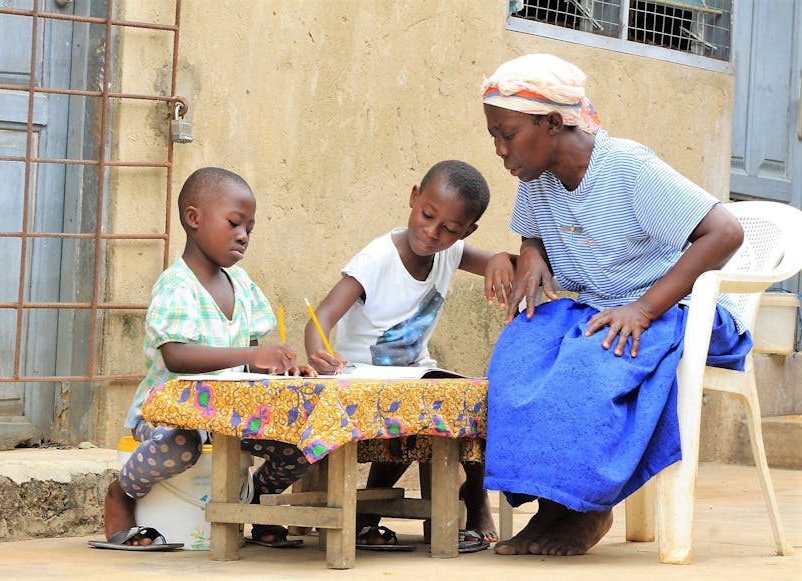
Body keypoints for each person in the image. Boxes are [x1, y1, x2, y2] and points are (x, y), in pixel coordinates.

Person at [479, 54, 753, 557]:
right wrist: (532, 256)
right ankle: (552, 508)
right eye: (494, 135)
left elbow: (725, 231)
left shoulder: (627, 167)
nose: (500, 149)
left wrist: (645, 309)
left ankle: (587, 509)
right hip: (604, 309)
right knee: (522, 350)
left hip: (680, 309)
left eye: (508, 133)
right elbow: (534, 234)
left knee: (588, 361)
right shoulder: (536, 177)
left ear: (554, 122)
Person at [91, 167, 314, 551]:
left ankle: (255, 501)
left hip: (230, 414)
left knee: (303, 447)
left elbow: (251, 363)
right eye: (234, 223)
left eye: (250, 228)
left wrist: (283, 367)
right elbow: (176, 356)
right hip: (168, 413)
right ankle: (122, 495)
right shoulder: (177, 285)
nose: (243, 235)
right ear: (194, 219)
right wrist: (252, 352)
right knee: (182, 444)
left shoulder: (242, 285)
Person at [305, 159, 515, 552]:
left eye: (450, 229)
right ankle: (384, 511)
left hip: (416, 375)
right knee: (416, 408)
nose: (432, 232)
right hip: (361, 376)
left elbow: (505, 265)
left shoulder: (451, 253)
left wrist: (502, 257)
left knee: (473, 399)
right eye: (427, 215)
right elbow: (321, 317)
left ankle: (474, 495)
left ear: (466, 231)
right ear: (414, 197)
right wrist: (319, 352)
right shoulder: (378, 258)